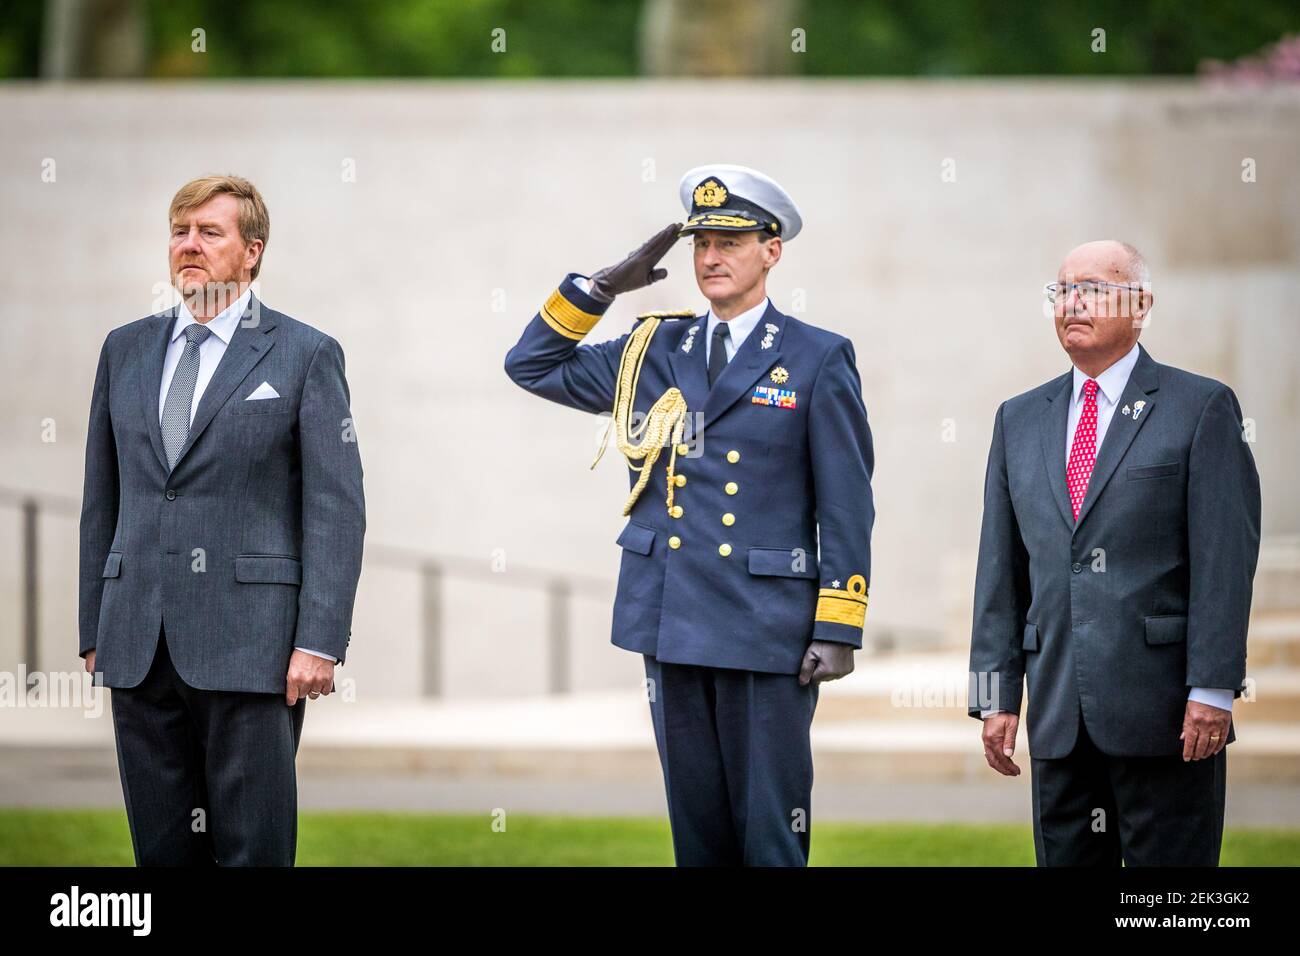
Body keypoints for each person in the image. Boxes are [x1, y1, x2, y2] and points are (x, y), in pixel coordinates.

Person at [505, 164, 874, 865]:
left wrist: (839, 624)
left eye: (730, 242)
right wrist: (600, 289)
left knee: (769, 833)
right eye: (701, 242)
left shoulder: (816, 357)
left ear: (772, 250)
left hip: (767, 625)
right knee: (697, 835)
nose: (710, 257)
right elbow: (531, 365)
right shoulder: (653, 347)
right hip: (672, 617)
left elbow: (847, 503)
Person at [78, 174, 366, 865]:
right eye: (179, 232)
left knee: (253, 850)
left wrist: (319, 641)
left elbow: (336, 506)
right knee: (162, 852)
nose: (189, 246)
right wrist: (95, 626)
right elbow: (102, 497)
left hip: (254, 648)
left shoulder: (305, 354)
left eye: (210, 232)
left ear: (252, 252)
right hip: (138, 641)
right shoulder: (125, 350)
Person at [968, 239, 1260, 866]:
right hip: (1057, 716)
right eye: (1062, 289)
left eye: (1094, 288)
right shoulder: (1018, 419)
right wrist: (995, 695)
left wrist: (1213, 687)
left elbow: (1224, 563)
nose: (1073, 302)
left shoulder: (1199, 407)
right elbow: (1000, 571)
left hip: (1166, 718)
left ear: (1142, 304)